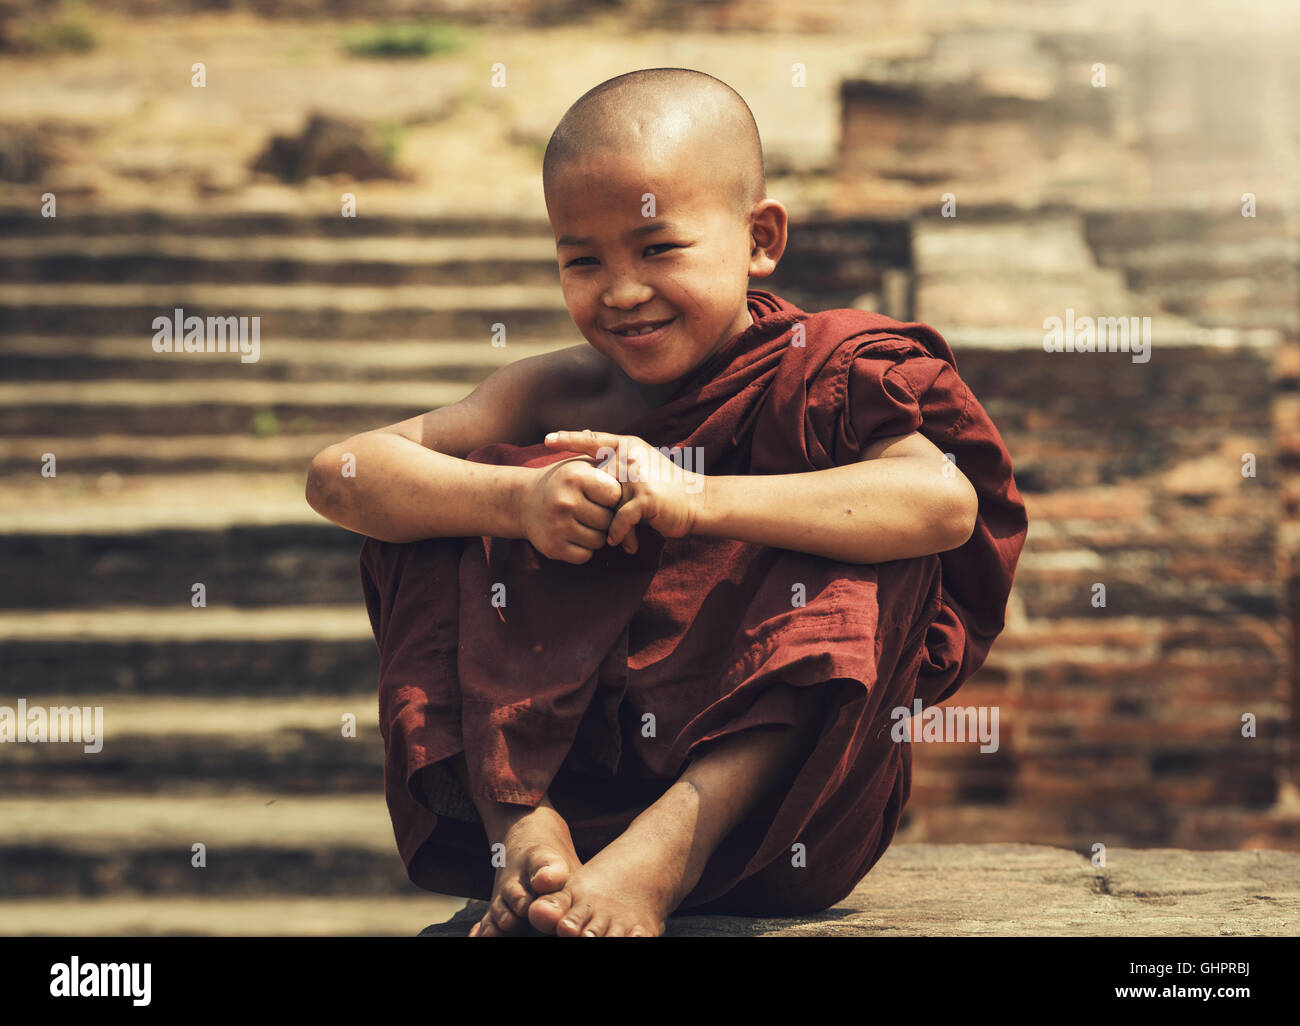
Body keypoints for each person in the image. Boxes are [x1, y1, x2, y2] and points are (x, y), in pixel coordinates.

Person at [306, 68, 1028, 937]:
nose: (620, 292)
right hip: (576, 784)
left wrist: (695, 499)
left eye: (658, 248)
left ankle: (660, 858)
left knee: (861, 534)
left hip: (780, 818)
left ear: (760, 239)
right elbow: (340, 474)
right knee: (429, 517)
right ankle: (522, 831)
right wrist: (517, 499)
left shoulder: (824, 376)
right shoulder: (561, 392)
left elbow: (941, 505)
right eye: (583, 260)